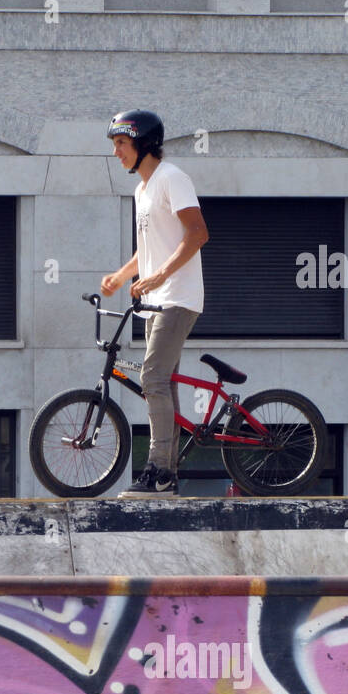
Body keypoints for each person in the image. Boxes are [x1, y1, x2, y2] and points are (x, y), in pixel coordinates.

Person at [100, 109, 209, 498]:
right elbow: (148, 249)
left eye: (121, 144)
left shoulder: (172, 179)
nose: (117, 152)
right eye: (115, 145)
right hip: (155, 300)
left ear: (144, 142)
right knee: (164, 384)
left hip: (177, 298)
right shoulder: (141, 189)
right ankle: (169, 475)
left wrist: (160, 276)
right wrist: (122, 275)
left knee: (152, 379)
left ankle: (159, 473)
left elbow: (198, 234)